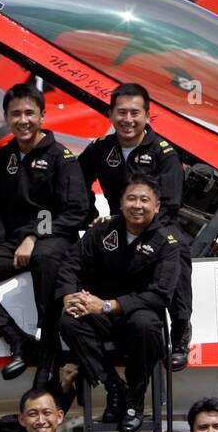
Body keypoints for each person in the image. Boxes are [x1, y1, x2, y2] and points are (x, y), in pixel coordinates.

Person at [0, 83, 90, 386]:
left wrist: (35, 235)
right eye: (16, 114)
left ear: (42, 116)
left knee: (47, 258)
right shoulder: (2, 160)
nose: (23, 120)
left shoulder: (63, 159)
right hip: (13, 244)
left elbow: (76, 211)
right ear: (6, 118)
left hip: (54, 240)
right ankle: (18, 339)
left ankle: (49, 355)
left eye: (29, 113)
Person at [78, 83, 193, 372]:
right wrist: (90, 214)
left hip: (158, 225)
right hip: (117, 223)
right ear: (110, 115)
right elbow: (75, 181)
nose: (128, 120)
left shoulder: (164, 153)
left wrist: (143, 234)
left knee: (176, 250)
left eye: (135, 113)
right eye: (121, 113)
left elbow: (169, 204)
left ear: (147, 116)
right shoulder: (101, 149)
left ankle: (180, 330)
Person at [56, 176, 181, 432]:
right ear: (121, 204)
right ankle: (113, 385)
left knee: (145, 325)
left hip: (137, 315)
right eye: (131, 199)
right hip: (99, 313)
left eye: (144, 200)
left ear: (156, 206)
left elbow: (160, 295)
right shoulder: (103, 231)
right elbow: (71, 264)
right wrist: (70, 297)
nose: (137, 205)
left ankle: (134, 401)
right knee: (68, 320)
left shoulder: (167, 243)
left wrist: (108, 305)